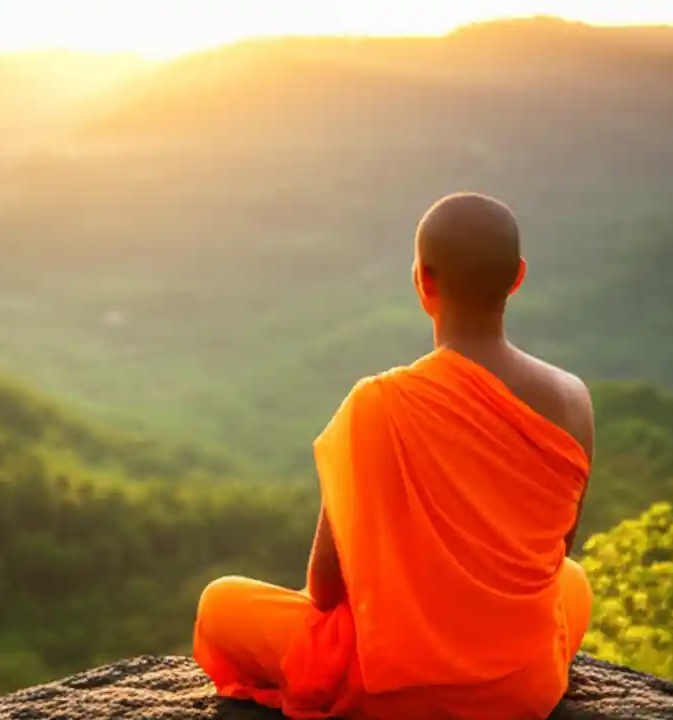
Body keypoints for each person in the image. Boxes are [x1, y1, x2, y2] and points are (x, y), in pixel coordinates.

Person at [193, 192, 595, 720]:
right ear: (517, 277)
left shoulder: (378, 404)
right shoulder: (573, 400)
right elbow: (554, 552)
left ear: (423, 281)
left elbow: (324, 589)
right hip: (522, 688)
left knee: (221, 604)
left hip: (392, 688)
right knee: (572, 582)